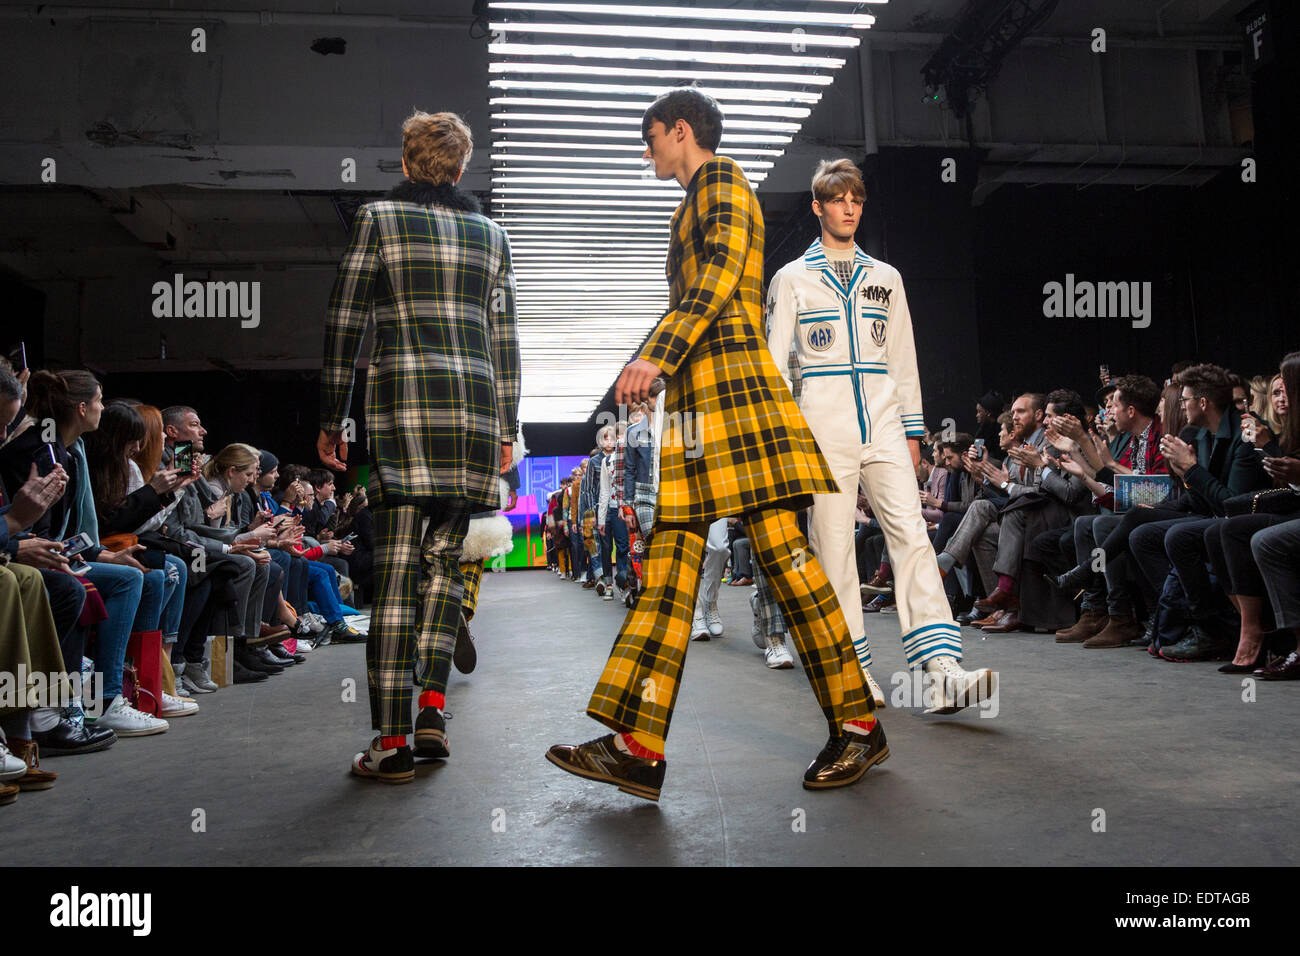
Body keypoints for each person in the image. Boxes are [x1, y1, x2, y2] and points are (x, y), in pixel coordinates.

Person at [546, 89, 884, 801]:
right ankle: (638, 745)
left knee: (786, 564)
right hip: (703, 412)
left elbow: (718, 276)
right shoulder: (694, 197)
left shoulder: (722, 179)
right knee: (670, 571)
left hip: (736, 401)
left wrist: (655, 355)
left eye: (651, 140)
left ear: (679, 130)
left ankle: (857, 725)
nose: (648, 154)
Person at [318, 109, 520, 784]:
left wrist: (332, 417)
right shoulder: (492, 235)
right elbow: (506, 345)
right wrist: (507, 430)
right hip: (469, 421)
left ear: (405, 164)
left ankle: (392, 741)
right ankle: (432, 709)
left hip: (402, 415)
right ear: (463, 170)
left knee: (398, 585)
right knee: (446, 576)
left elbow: (345, 322)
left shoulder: (377, 220)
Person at [765, 158, 993, 712]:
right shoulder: (792, 278)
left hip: (885, 423)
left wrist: (914, 430)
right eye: (838, 199)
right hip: (822, 429)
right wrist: (781, 439)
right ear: (818, 206)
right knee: (835, 549)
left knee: (913, 535)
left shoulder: (885, 277)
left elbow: (903, 358)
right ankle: (851, 673)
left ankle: (941, 670)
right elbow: (774, 365)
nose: (849, 208)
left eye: (857, 200)